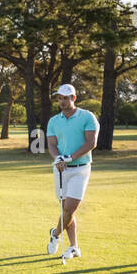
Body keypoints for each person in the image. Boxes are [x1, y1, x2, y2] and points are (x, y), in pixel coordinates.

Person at [45, 84, 98, 261]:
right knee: (66, 210)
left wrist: (70, 157)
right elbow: (52, 144)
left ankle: (55, 233)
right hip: (61, 169)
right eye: (59, 98)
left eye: (66, 98)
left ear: (73, 98)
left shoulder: (87, 117)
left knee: (69, 207)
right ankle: (74, 246)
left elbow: (91, 143)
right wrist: (58, 159)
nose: (62, 101)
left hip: (80, 169)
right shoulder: (54, 121)